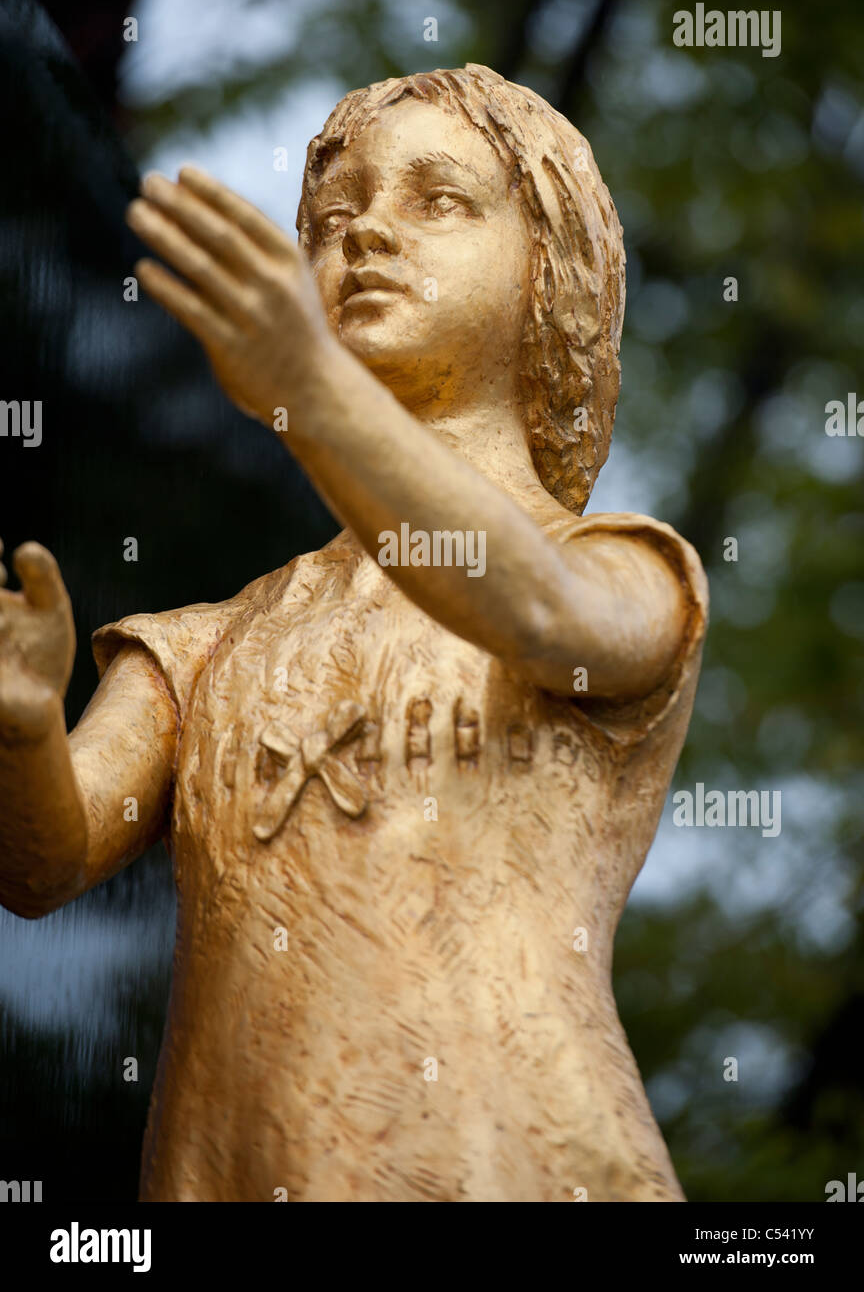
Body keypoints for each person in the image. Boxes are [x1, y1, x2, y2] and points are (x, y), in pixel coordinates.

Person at [0, 64, 707, 1201]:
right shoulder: (210, 644)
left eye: (439, 200)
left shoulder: (621, 569)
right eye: (332, 219)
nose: (367, 231)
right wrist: (21, 722)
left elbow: (533, 609)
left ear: (551, 272)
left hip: (506, 1156)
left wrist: (312, 391)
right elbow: (44, 861)